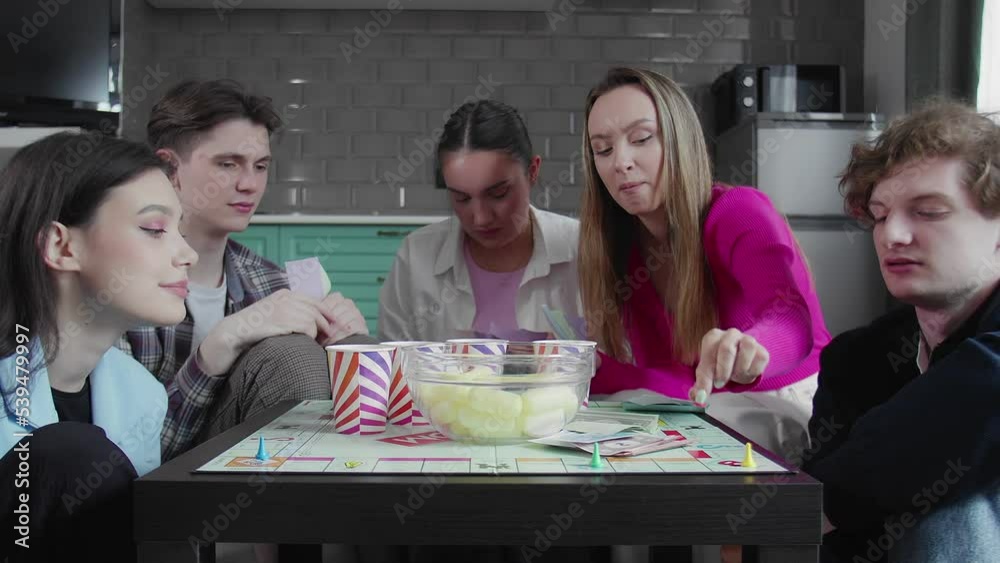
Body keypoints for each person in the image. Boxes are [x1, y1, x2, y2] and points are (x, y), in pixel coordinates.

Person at [578, 66, 831, 460]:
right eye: (603, 149)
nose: (621, 162)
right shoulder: (623, 251)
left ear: (680, 140)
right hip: (705, 411)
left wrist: (752, 348)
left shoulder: (738, 211)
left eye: (642, 138)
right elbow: (679, 388)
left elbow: (792, 320)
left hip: (790, 404)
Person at [121, 79, 372, 465]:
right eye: (227, 164)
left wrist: (346, 352)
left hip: (253, 477)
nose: (249, 184)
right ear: (170, 169)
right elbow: (127, 456)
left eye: (260, 166)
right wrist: (217, 348)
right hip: (157, 488)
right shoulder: (122, 286)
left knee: (360, 349)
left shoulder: (272, 283)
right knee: (290, 355)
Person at [803, 101, 1000, 562]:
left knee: (953, 509)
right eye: (880, 214)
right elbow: (828, 533)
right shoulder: (855, 359)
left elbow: (985, 389)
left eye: (928, 212)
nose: (893, 234)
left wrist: (831, 500)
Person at [0, 132, 196, 562]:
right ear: (61, 246)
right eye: (154, 229)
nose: (187, 254)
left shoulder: (142, 395)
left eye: (180, 229)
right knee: (72, 454)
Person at [379, 99, 582, 343]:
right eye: (461, 198)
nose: (481, 218)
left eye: (498, 194)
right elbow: (391, 367)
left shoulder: (581, 249)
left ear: (533, 172)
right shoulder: (416, 256)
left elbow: (620, 363)